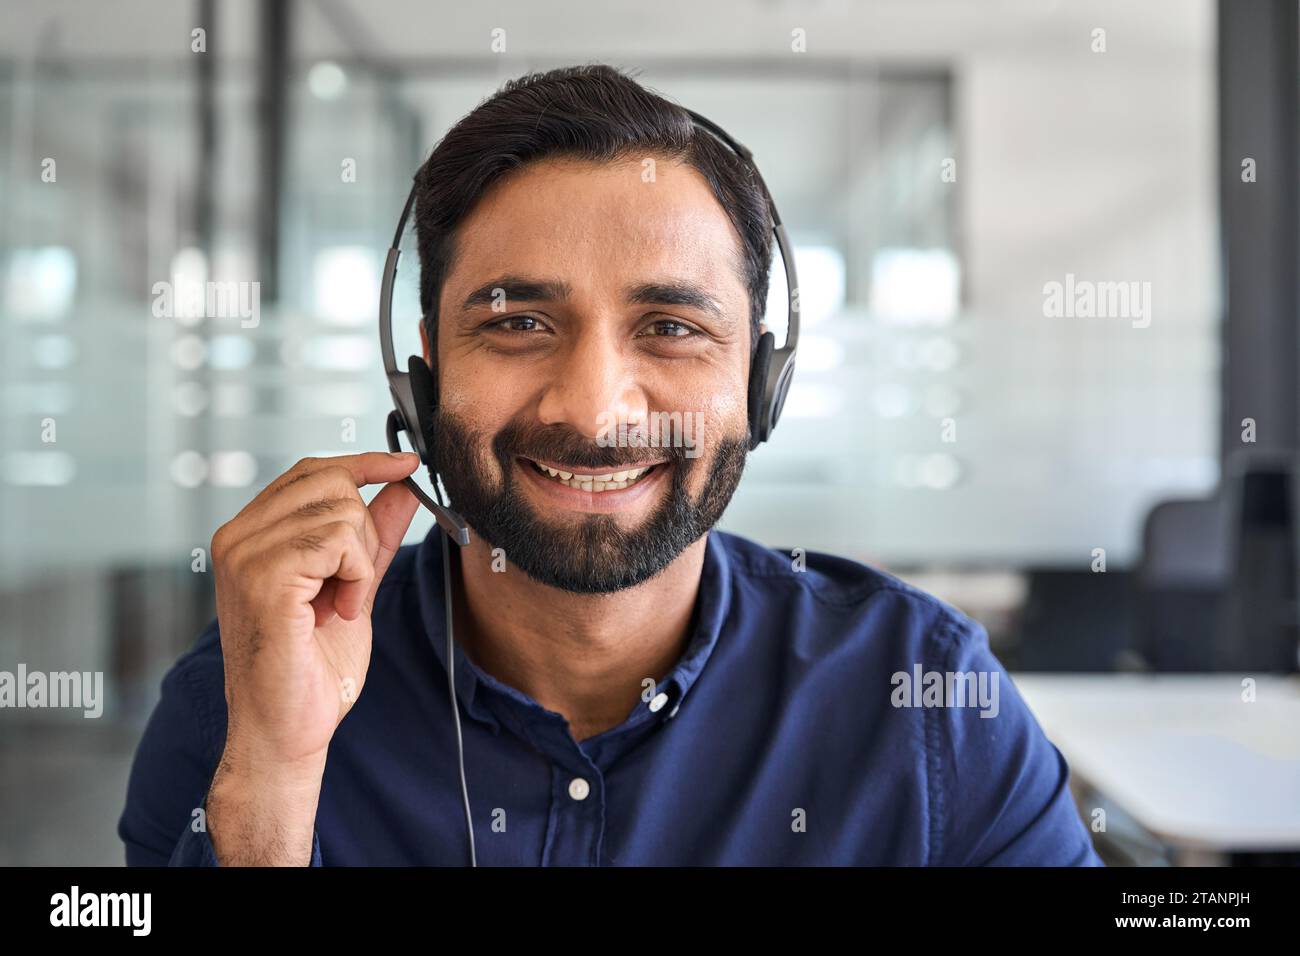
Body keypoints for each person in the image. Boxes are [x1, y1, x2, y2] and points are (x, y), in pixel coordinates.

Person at [119, 64, 1103, 866]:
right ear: (422, 376)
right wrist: (272, 789)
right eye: (516, 322)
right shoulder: (244, 696)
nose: (593, 408)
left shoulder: (926, 697)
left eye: (670, 326)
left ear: (761, 382)